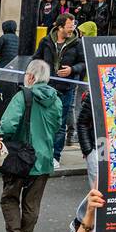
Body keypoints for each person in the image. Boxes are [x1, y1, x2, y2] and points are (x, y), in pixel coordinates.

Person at [0, 61, 63, 232]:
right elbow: (57, 126)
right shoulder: (56, 100)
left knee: (9, 197)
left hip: (21, 158)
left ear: (31, 77)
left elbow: (8, 125)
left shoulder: (23, 96)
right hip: (43, 159)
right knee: (32, 204)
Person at [35, 14, 83, 169]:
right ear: (60, 27)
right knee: (43, 122)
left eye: (73, 25)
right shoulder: (46, 41)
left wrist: (72, 69)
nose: (72, 29)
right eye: (70, 26)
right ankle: (42, 153)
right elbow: (36, 59)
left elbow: (83, 63)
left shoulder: (77, 44)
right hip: (47, 89)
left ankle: (55, 155)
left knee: (60, 124)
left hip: (65, 89)